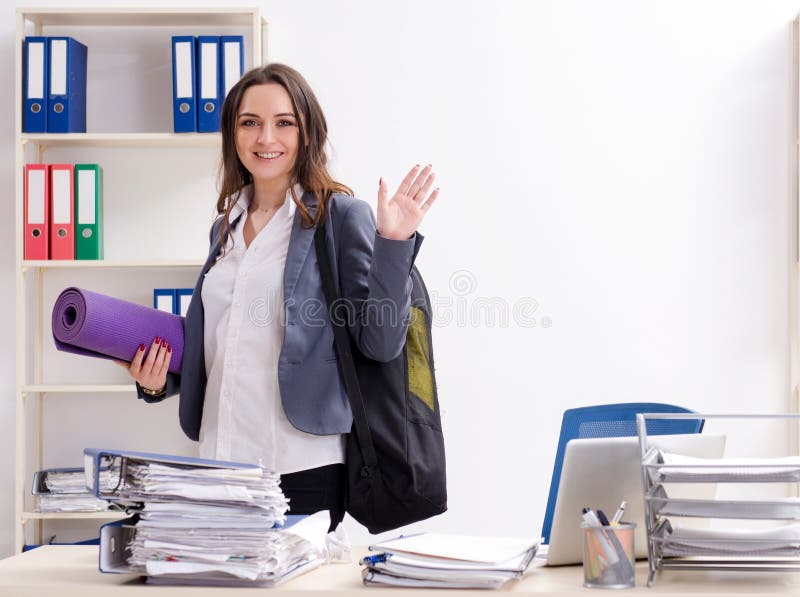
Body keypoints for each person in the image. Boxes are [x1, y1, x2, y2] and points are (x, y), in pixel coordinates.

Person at [116, 63, 439, 531]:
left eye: (284, 122)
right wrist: (155, 380)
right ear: (233, 134)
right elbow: (220, 347)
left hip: (298, 464)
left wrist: (394, 243)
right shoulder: (223, 227)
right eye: (250, 122)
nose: (266, 137)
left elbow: (381, 343)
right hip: (216, 460)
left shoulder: (338, 217)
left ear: (307, 132)